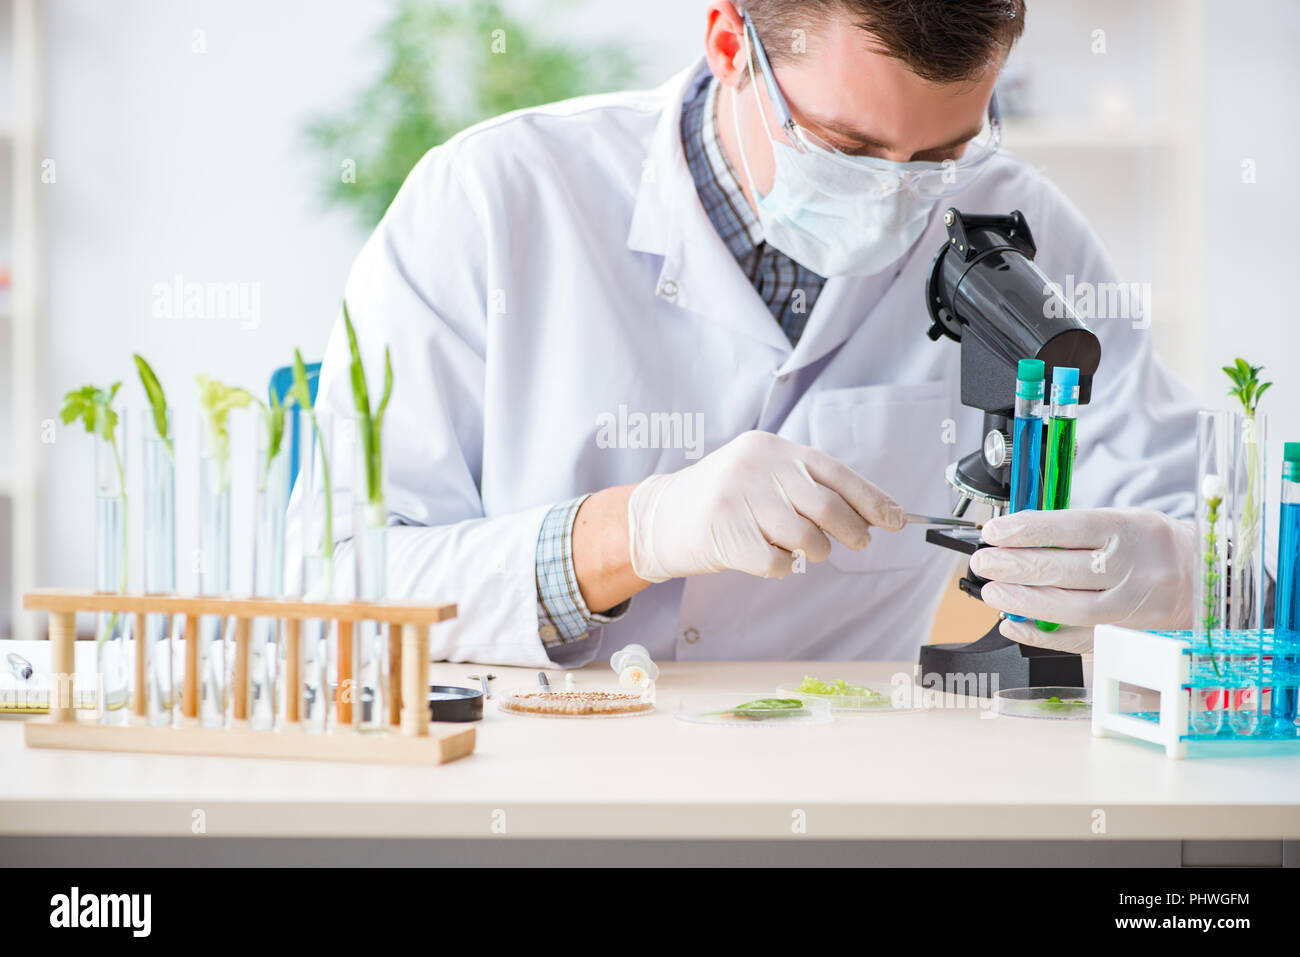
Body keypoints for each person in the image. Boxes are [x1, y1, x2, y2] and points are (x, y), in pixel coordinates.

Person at [309, 0, 1197, 667]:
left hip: (846, 815)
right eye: (845, 147)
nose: (896, 196)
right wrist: (635, 531)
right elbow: (336, 589)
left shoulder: (1012, 219)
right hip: (548, 810)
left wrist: (1169, 572)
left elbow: (1211, 528)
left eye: (939, 157)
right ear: (730, 42)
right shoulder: (490, 201)